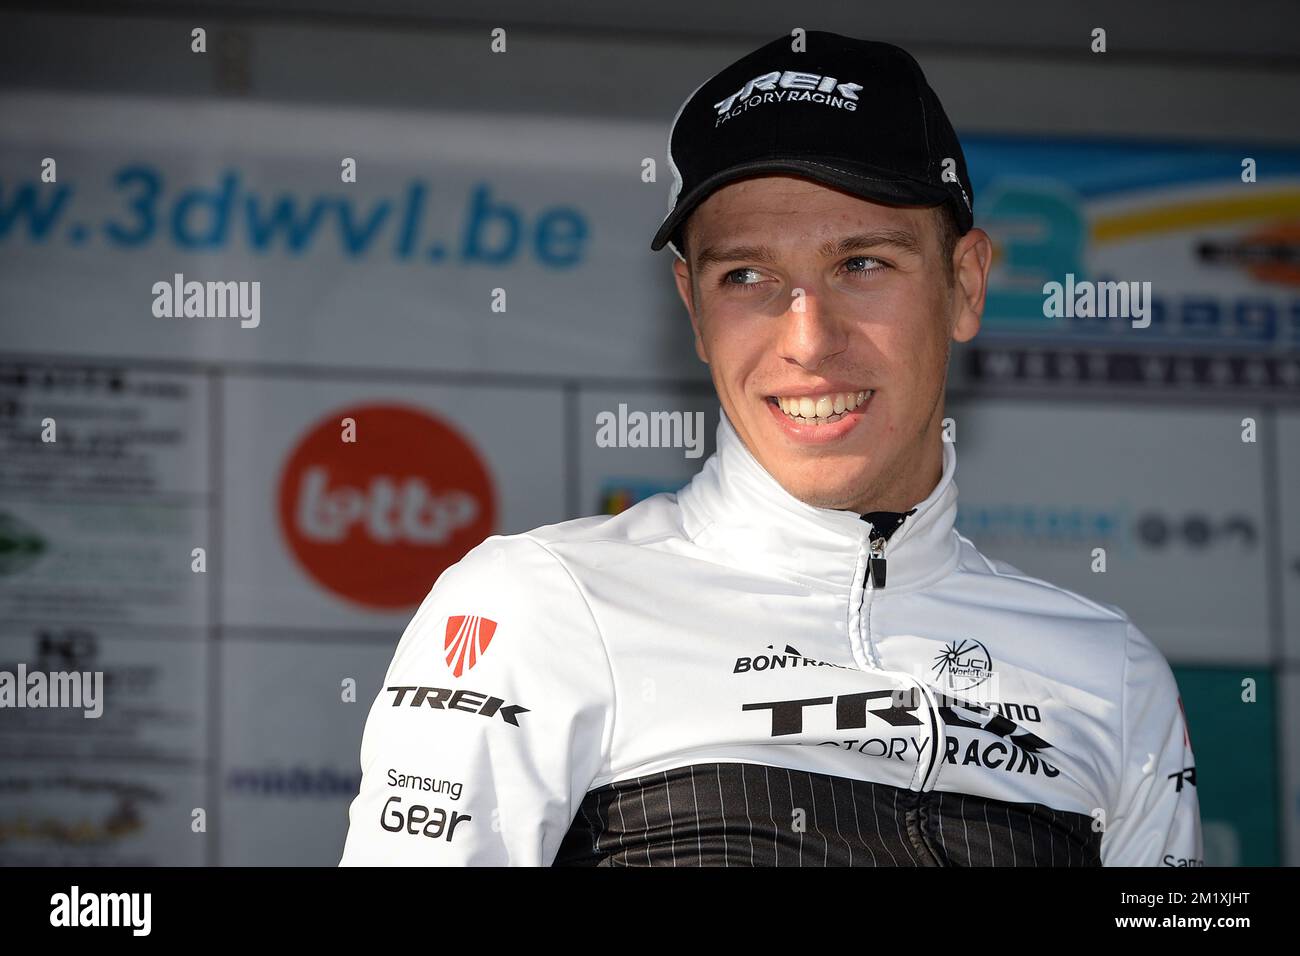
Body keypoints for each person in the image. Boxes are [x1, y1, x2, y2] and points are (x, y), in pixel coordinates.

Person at [339, 30, 1201, 867]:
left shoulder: (1110, 676)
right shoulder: (537, 612)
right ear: (693, 306)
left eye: (862, 263)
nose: (808, 339)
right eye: (746, 277)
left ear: (965, 283)